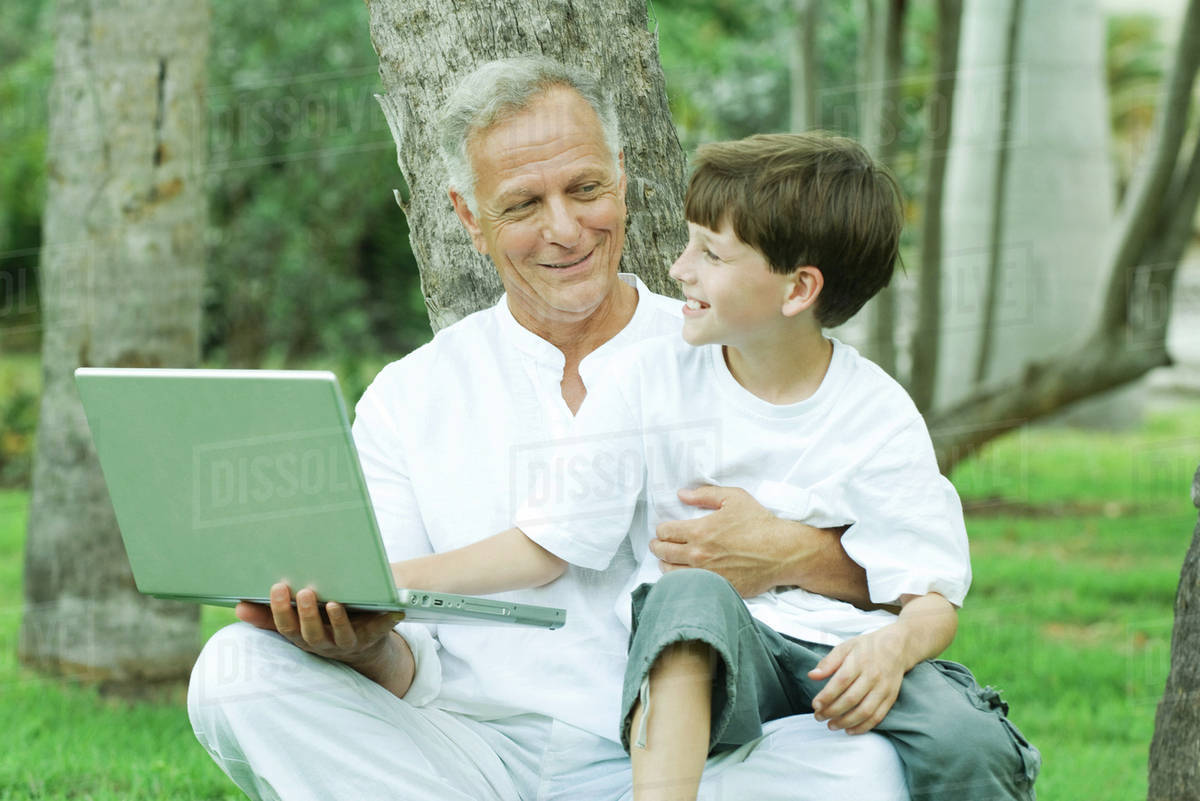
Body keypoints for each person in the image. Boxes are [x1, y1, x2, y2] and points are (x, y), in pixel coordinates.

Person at [187, 56, 911, 800]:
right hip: (467, 755)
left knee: (864, 768)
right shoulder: (410, 397)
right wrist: (363, 641)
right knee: (235, 672)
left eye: (586, 188)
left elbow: (912, 569)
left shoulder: (739, 351)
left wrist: (794, 552)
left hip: (691, 760)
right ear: (469, 218)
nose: (564, 229)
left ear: (623, 177)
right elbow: (405, 654)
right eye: (524, 204)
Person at [390, 133, 1041, 801]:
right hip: (715, 655)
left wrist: (895, 647)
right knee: (687, 592)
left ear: (797, 289)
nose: (679, 269)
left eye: (710, 253)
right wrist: (391, 579)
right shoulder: (649, 379)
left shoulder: (876, 413)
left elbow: (931, 599)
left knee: (974, 744)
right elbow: (546, 544)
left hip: (842, 653)